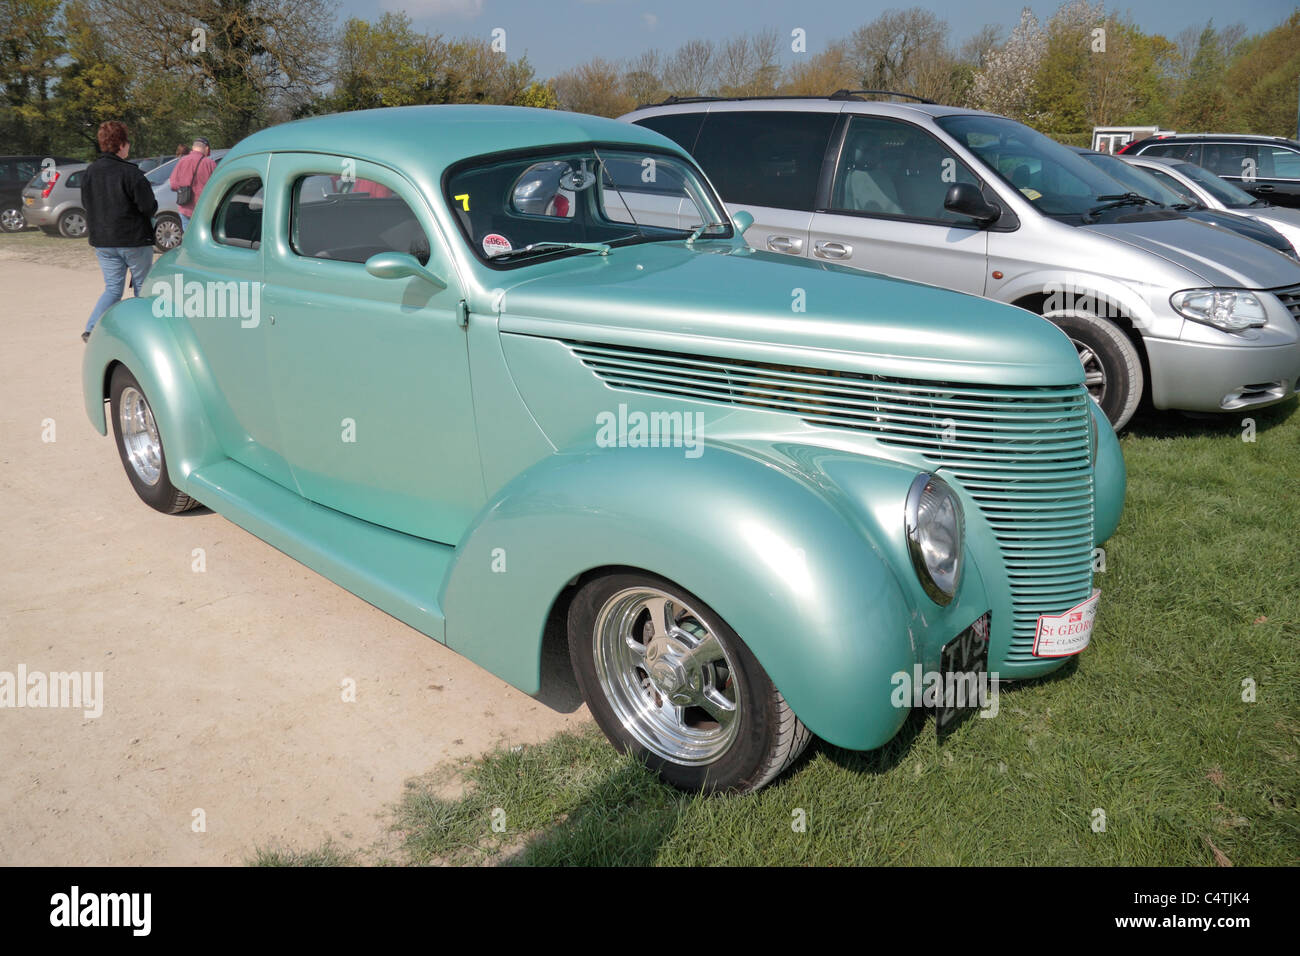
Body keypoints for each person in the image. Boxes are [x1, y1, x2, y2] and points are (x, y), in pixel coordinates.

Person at [79, 120, 158, 343]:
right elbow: (148, 207)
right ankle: (145, 331)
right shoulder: (131, 173)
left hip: (103, 241)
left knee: (113, 289)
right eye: (127, 142)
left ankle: (92, 328)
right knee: (143, 287)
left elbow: (87, 203)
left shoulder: (90, 172)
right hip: (133, 239)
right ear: (122, 144)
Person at [169, 136, 215, 231]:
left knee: (188, 239)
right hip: (204, 210)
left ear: (193, 147)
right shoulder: (210, 163)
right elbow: (217, 187)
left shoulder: (182, 161)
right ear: (206, 148)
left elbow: (173, 185)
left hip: (185, 208)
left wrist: (184, 188)